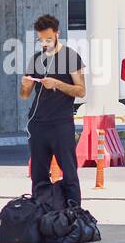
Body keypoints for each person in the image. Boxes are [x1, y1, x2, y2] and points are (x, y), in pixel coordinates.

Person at [19, 14, 86, 207]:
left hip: (61, 124)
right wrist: (24, 84)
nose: (45, 43)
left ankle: (75, 212)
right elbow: (25, 95)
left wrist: (58, 84)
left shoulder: (71, 57)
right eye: (41, 40)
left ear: (57, 34)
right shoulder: (36, 59)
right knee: (38, 175)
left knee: (69, 173)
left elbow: (81, 91)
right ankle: (40, 212)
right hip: (38, 124)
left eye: (48, 39)